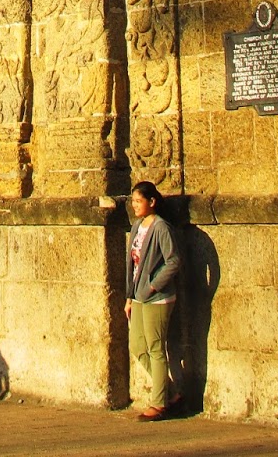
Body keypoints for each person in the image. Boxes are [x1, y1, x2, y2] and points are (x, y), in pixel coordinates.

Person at [124, 181, 181, 422]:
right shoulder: (138, 226)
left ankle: (159, 403)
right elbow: (133, 265)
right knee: (137, 346)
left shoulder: (161, 228)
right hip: (138, 296)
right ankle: (170, 391)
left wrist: (154, 284)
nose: (135, 205)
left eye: (139, 201)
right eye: (133, 201)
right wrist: (130, 296)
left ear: (152, 201)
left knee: (156, 348)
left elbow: (173, 261)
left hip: (158, 297)